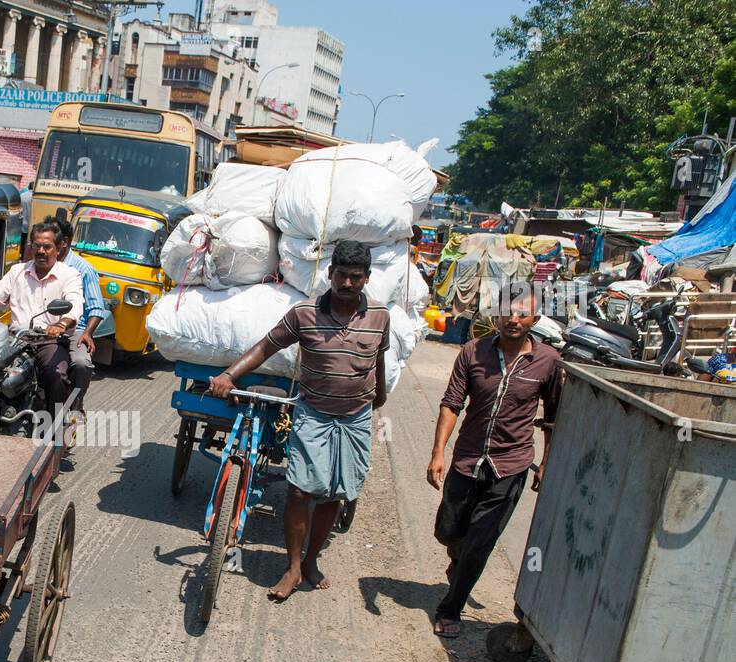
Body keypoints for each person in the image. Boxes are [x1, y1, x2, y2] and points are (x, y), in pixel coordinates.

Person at [208, 240, 390, 599]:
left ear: (366, 278)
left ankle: (311, 560)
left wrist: (379, 395)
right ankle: (292, 567)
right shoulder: (304, 313)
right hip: (313, 413)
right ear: (330, 273)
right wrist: (229, 375)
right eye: (342, 275)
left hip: (355, 418)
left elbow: (377, 361)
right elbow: (265, 347)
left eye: (356, 277)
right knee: (299, 489)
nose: (348, 284)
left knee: (333, 494)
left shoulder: (380, 316)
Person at [426, 282, 560, 637]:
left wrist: (546, 462)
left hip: (511, 464)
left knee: (480, 542)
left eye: (522, 313)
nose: (513, 319)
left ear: (536, 317)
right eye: (508, 311)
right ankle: (458, 561)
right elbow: (452, 402)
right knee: (448, 530)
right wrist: (439, 451)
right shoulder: (473, 351)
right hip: (467, 459)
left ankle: (450, 608)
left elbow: (553, 418)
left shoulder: (548, 361)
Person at [0, 220, 83, 412]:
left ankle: (55, 430)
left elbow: (75, 305)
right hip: (14, 339)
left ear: (58, 248)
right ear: (31, 246)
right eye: (37, 245)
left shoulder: (70, 275)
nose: (41, 251)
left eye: (47, 246)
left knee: (55, 374)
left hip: (47, 341)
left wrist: (61, 325)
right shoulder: (18, 271)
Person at [50, 215, 105, 409]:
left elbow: (97, 308)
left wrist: (87, 333)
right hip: (42, 330)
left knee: (81, 363)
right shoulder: (39, 265)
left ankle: (74, 407)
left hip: (74, 331)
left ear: (64, 242)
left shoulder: (84, 269)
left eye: (52, 238)